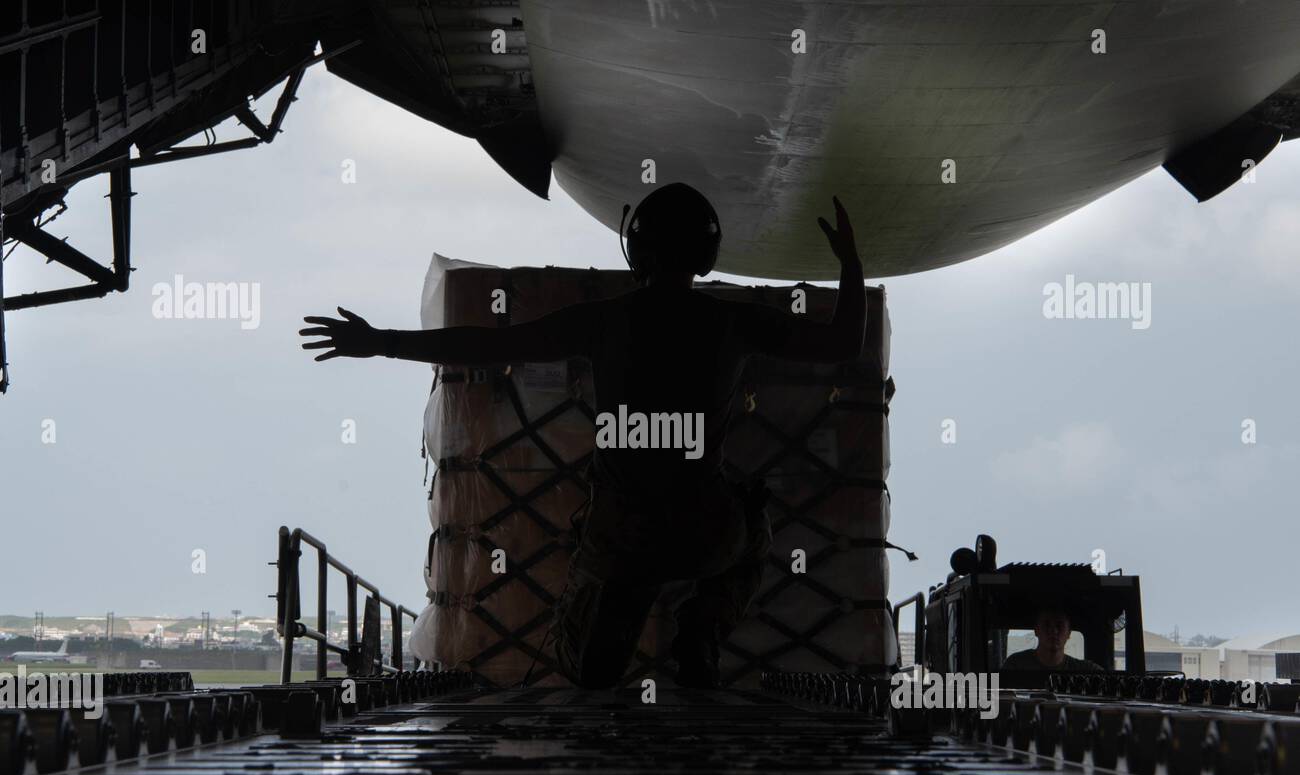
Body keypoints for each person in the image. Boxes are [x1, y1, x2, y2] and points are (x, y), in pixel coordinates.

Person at [300, 183, 866, 689]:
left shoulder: (604, 320)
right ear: (706, 253)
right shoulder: (736, 323)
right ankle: (700, 637)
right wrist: (849, 262)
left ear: (636, 251)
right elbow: (843, 342)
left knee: (591, 674)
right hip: (705, 529)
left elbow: (488, 346)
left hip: (623, 537)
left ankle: (635, 639)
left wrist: (381, 341)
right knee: (754, 528)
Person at [1001, 606, 1104, 671]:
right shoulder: (1015, 665)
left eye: (1059, 625)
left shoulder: (1086, 670)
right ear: (1036, 630)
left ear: (1068, 633)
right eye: (1046, 625)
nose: (1054, 631)